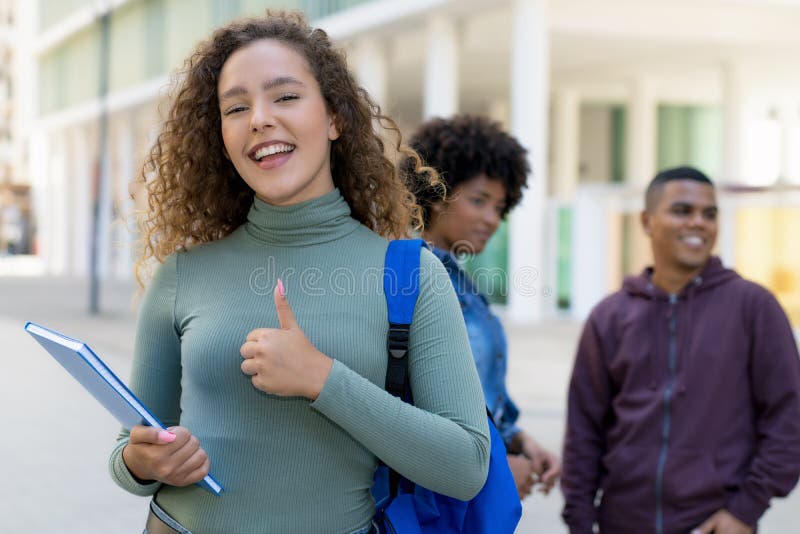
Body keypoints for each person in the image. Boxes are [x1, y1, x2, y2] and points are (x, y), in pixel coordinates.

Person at [108, 11, 490, 533]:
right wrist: (140, 463)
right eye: (236, 107)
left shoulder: (411, 276)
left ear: (334, 118)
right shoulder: (181, 274)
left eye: (284, 96)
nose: (259, 118)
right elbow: (131, 446)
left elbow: (466, 466)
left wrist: (322, 379)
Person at [561, 166, 800, 534]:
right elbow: (584, 429)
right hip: (621, 522)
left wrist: (746, 509)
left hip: (716, 523)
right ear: (646, 221)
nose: (699, 223)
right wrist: (579, 521)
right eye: (682, 211)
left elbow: (790, 417)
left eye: (709, 213)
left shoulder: (754, 307)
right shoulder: (610, 316)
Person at [402, 114, 561, 500]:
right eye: (478, 201)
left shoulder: (465, 285)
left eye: (500, 207)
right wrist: (497, 467)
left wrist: (518, 439)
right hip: (440, 493)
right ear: (436, 194)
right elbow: (410, 405)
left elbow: (480, 393)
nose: (492, 219)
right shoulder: (406, 278)